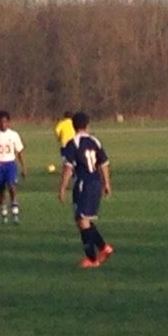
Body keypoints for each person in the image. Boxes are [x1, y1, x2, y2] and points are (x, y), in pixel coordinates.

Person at [58, 111, 113, 268]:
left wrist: (62, 188)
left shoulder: (73, 143)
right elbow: (104, 163)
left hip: (84, 183)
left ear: (73, 126)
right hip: (95, 182)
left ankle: (92, 258)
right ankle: (103, 247)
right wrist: (106, 183)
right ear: (87, 125)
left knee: (82, 221)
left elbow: (68, 168)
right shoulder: (94, 141)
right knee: (82, 219)